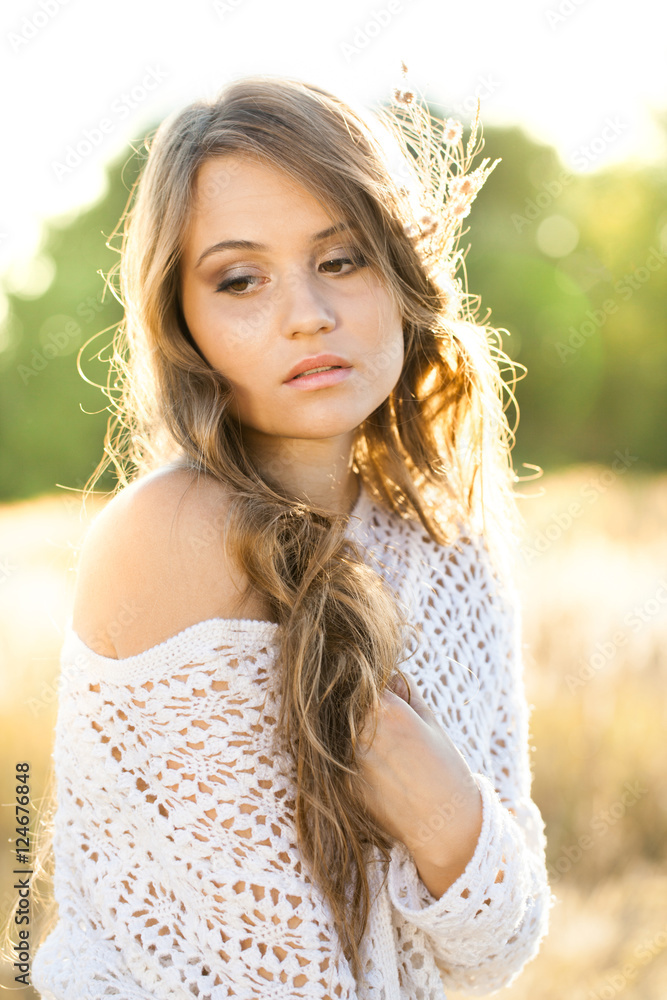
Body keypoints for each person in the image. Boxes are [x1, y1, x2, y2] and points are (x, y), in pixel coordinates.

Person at [30, 73, 553, 998]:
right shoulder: (173, 535)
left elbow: (501, 946)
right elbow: (271, 976)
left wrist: (443, 814)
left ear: (399, 271)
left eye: (341, 259)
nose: (306, 313)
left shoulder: (446, 538)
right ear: (182, 322)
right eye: (240, 279)